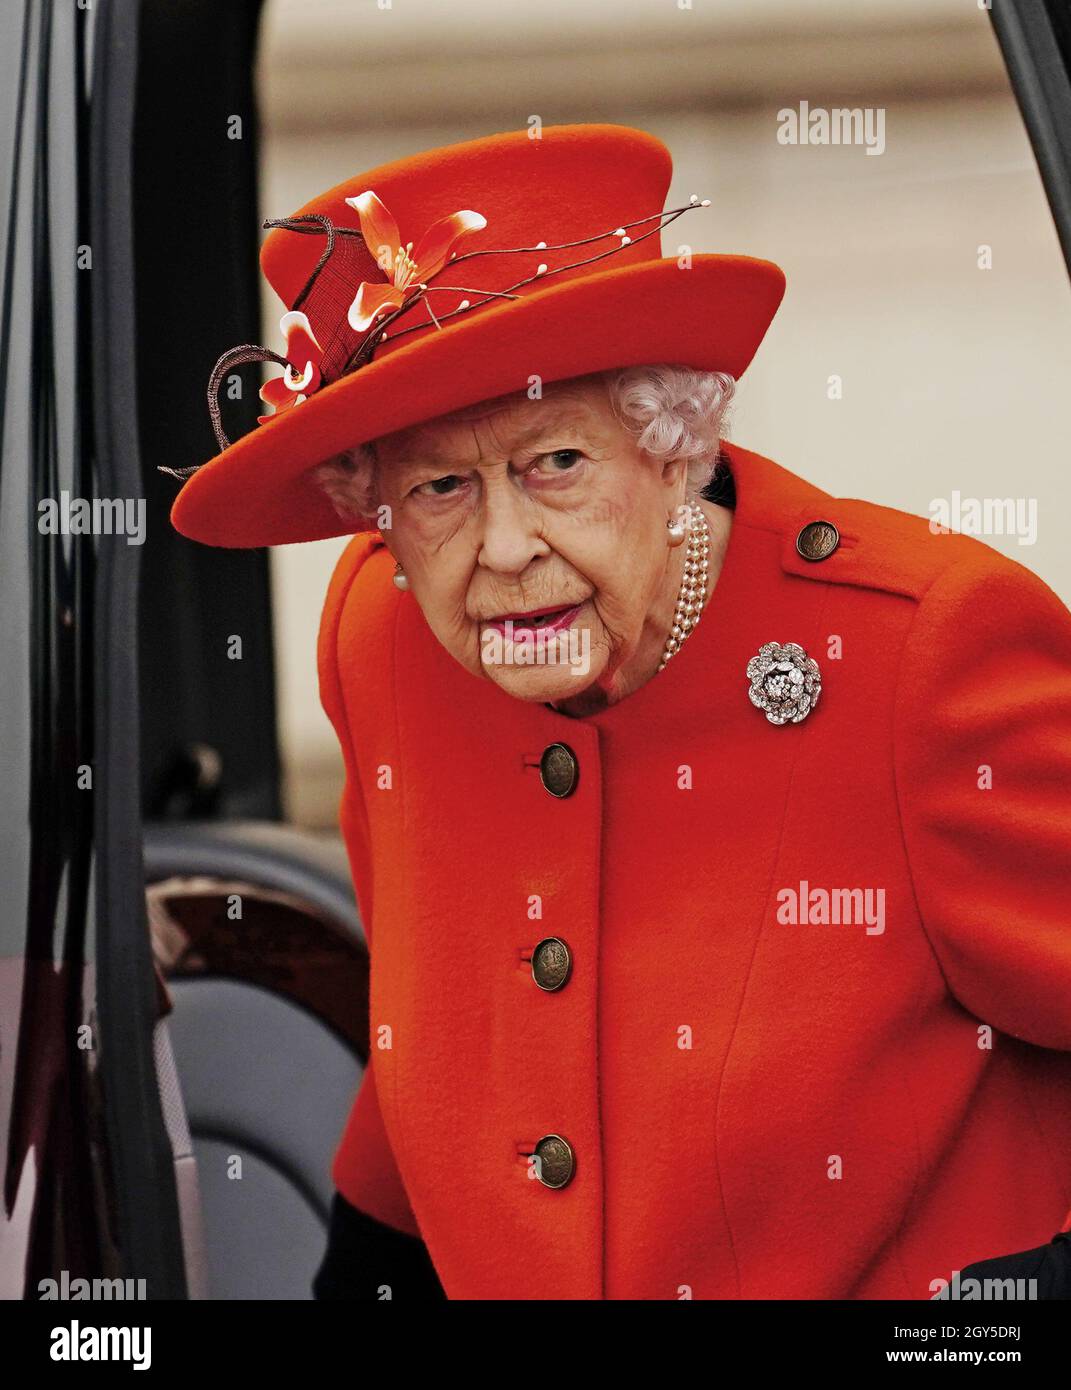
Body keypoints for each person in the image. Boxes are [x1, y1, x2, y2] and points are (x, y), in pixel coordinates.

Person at [168, 123, 1071, 1300]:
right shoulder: (383, 638)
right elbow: (431, 1056)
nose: (503, 548)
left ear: (672, 447)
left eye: (555, 463)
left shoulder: (923, 650)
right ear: (373, 508)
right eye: (440, 485)